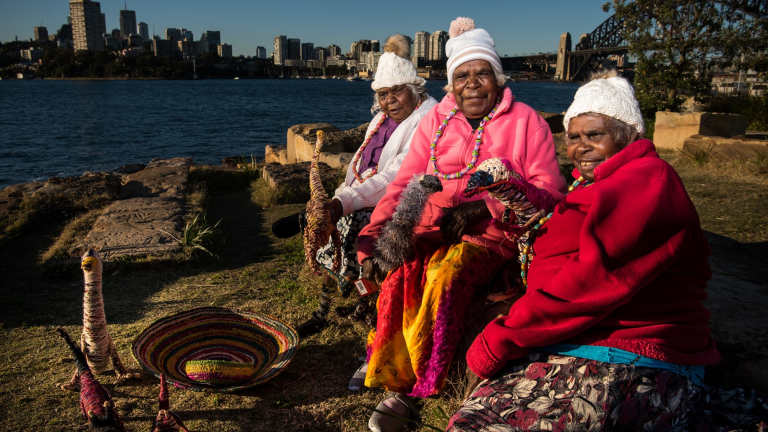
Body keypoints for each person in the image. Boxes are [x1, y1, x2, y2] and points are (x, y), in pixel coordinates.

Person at [447, 71, 723, 431]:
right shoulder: (602, 184)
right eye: (574, 137)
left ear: (628, 134)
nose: (580, 147)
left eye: (595, 135)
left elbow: (589, 281)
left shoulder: (647, 181)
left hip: (633, 356)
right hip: (594, 344)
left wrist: (501, 339)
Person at [358, 17, 566, 432]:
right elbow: (403, 184)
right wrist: (371, 238)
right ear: (451, 84)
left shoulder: (526, 122)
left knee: (445, 276)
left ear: (497, 79)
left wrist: (485, 207)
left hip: (496, 235)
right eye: (463, 76)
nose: (472, 84)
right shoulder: (437, 121)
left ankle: (422, 389)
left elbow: (548, 189)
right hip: (434, 228)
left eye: (482, 73)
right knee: (399, 273)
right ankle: (396, 377)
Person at [283, 34, 438, 343]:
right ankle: (324, 310)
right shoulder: (380, 120)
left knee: (357, 240)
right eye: (382, 93)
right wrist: (340, 197)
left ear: (415, 90)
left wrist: (343, 203)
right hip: (360, 199)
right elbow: (361, 161)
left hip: (397, 202)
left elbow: (395, 176)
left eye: (396, 92)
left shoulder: (427, 121)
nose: (389, 100)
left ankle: (367, 307)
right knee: (332, 240)